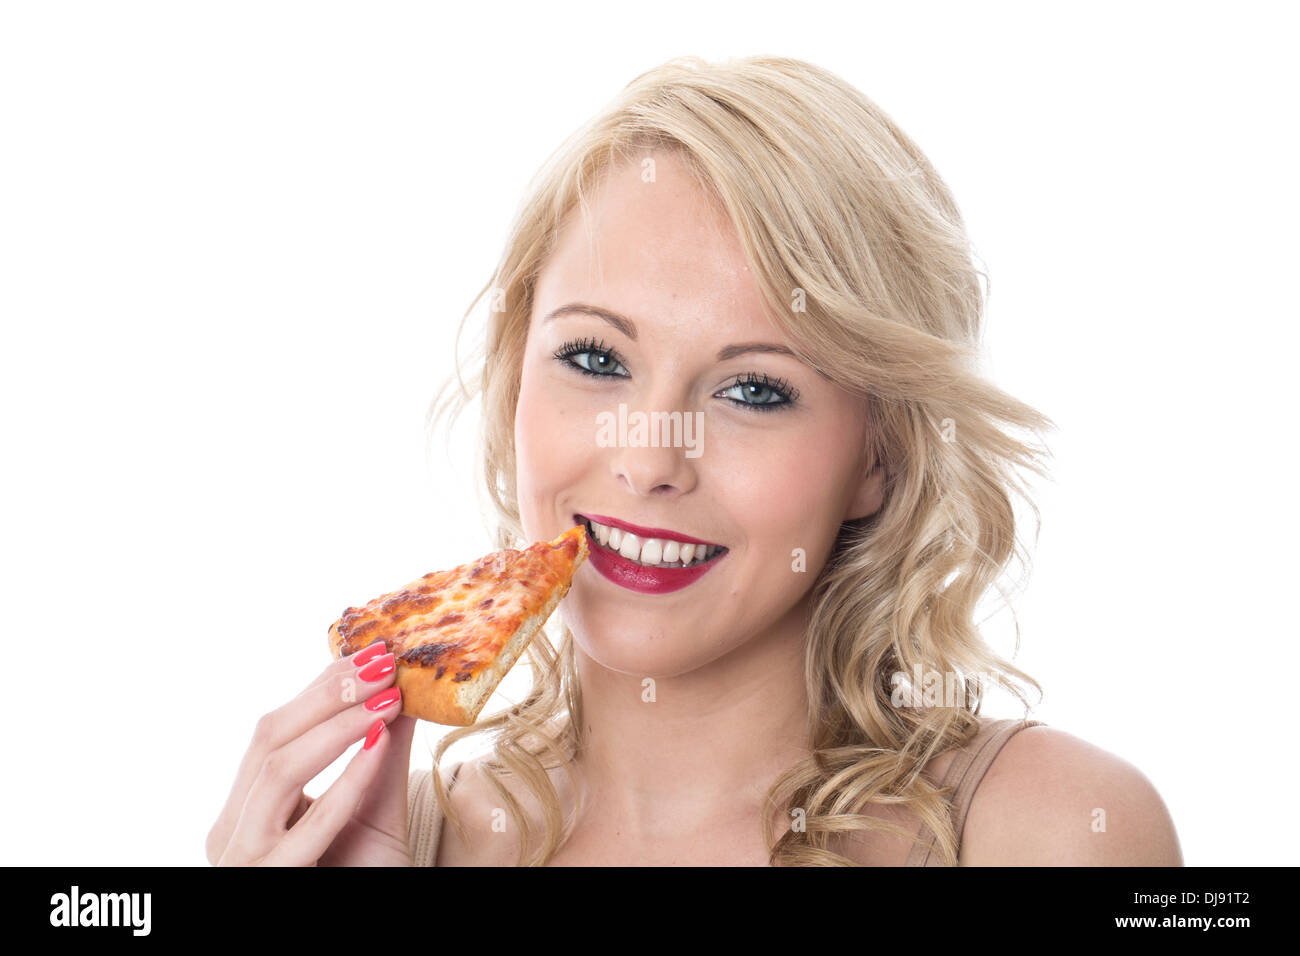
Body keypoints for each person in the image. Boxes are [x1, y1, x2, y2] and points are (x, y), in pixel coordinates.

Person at [207, 55, 1182, 866]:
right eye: (595, 359)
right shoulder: (362, 841)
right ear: (514, 382)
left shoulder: (1050, 829)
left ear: (877, 457)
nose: (647, 458)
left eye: (754, 389)